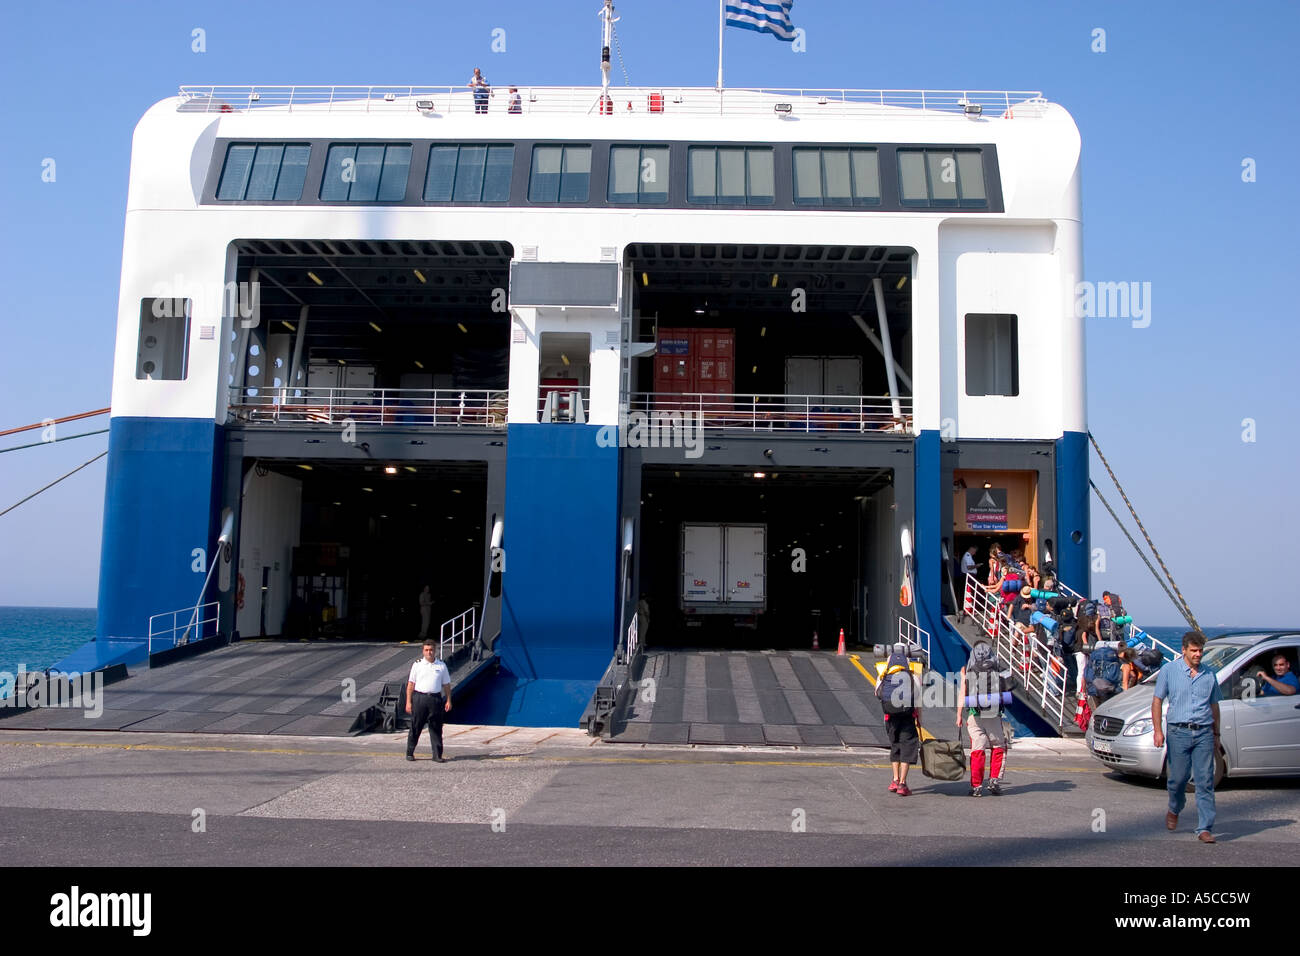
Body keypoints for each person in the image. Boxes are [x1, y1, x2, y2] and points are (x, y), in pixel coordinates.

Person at [1151, 631, 1221, 843]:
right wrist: (1157, 730)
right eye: (1194, 651)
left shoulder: (1209, 675)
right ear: (1184, 650)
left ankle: (1204, 828)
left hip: (1203, 733)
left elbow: (1214, 705)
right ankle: (1174, 808)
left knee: (1205, 781)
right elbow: (1157, 701)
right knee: (1177, 779)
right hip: (1177, 731)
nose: (1198, 654)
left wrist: (1216, 733)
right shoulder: (1169, 671)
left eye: (1200, 651)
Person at [957, 640, 1008, 796]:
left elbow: (963, 693)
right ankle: (994, 780)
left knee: (977, 750)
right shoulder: (998, 667)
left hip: (975, 714)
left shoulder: (969, 669)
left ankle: (977, 786)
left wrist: (959, 714)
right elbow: (1007, 690)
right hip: (993, 714)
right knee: (998, 746)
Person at [876, 646, 921, 795]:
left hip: (890, 716)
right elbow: (918, 699)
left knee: (895, 746)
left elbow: (878, 693)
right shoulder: (913, 674)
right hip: (907, 716)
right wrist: (919, 719)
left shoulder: (884, 673)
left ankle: (895, 780)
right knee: (907, 747)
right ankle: (902, 784)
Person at [406, 639, 453, 762]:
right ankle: (410, 752)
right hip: (419, 698)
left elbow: (446, 685)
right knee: (416, 726)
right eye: (426, 650)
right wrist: (408, 702)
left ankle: (437, 755)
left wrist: (448, 700)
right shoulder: (417, 665)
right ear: (423, 651)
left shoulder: (441, 665)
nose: (429, 652)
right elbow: (411, 684)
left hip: (435, 699)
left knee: (436, 727)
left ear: (435, 650)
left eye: (431, 650)